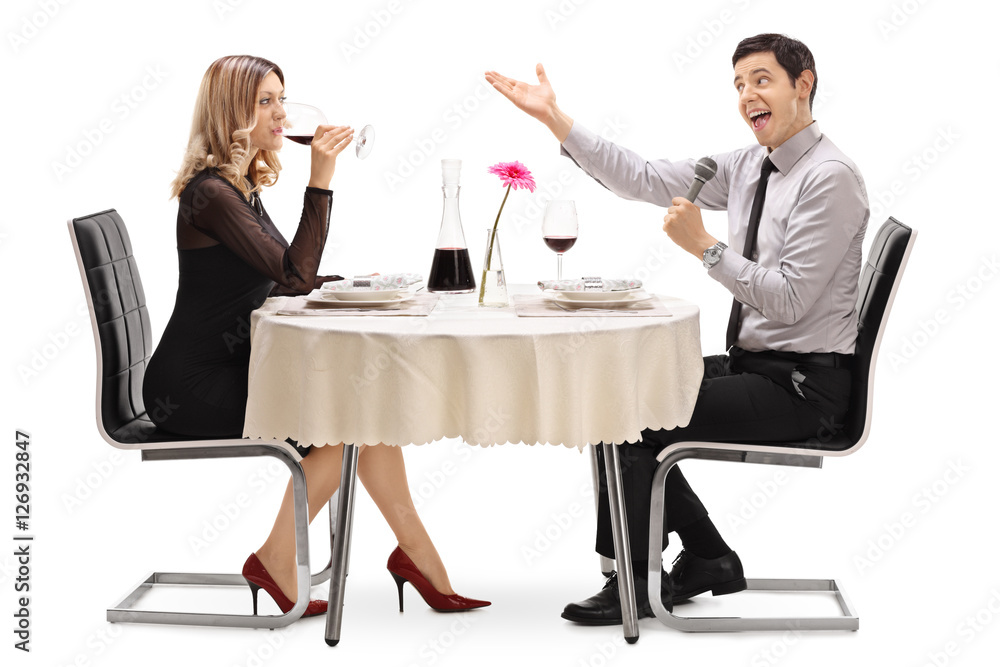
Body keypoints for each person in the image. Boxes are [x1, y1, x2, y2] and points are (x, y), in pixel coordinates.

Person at [486, 32, 868, 624]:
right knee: (613, 394)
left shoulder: (830, 177)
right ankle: (709, 557)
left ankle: (636, 582)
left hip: (804, 388)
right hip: (757, 367)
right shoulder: (746, 166)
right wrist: (555, 119)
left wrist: (705, 248)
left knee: (627, 412)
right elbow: (640, 176)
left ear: (805, 84)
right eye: (739, 85)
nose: (747, 96)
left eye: (761, 80)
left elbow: (790, 301)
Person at [143, 55, 488, 618]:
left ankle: (417, 557)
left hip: (228, 371)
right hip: (190, 388)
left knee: (367, 410)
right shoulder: (210, 194)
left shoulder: (237, 187)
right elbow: (293, 275)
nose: (281, 114)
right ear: (233, 112)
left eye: (283, 98)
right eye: (265, 102)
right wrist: (321, 177)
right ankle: (278, 561)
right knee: (348, 422)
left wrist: (350, 283)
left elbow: (284, 276)